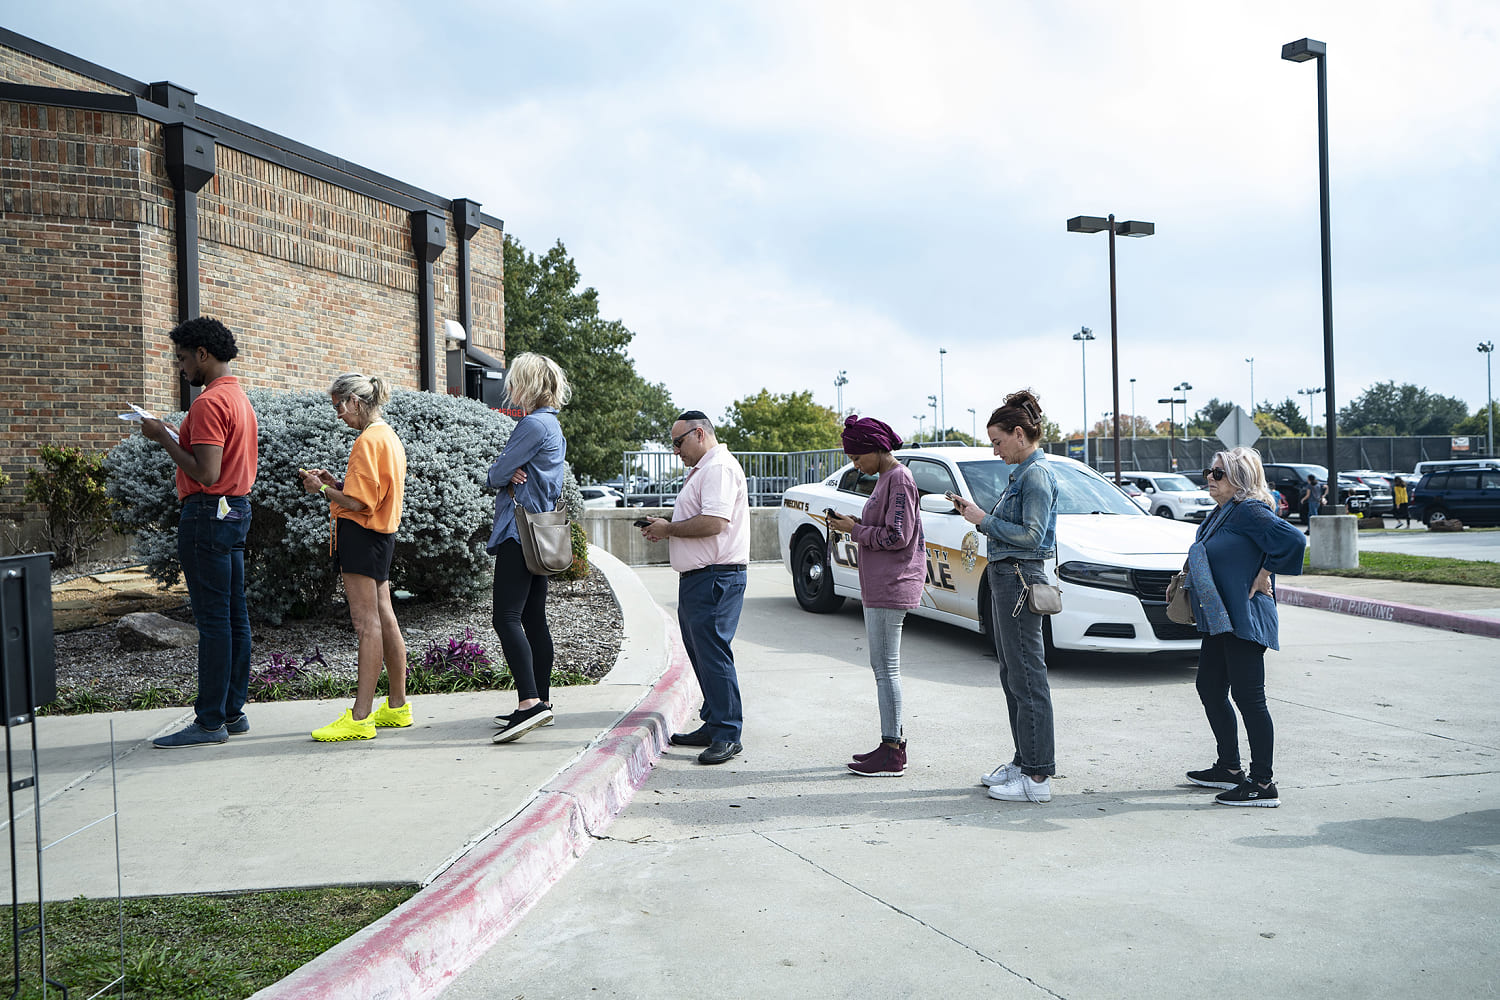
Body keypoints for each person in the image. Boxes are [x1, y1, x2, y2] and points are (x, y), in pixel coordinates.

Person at [143, 317, 259, 749]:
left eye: (183, 358)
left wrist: (161, 437)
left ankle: (209, 722)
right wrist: (179, 436)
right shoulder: (238, 398)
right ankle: (232, 712)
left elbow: (207, 473)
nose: (181, 367)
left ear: (203, 355)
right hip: (235, 511)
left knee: (213, 622)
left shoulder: (209, 404)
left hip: (208, 514)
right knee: (233, 616)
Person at [949, 390, 1058, 803]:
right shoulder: (1025, 473)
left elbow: (1032, 535)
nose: (995, 451)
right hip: (1009, 577)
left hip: (1019, 578)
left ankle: (1037, 777)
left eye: (997, 442)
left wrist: (983, 519)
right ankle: (1026, 761)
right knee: (1014, 674)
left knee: (1027, 675)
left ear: (1018, 434)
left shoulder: (1036, 475)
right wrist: (980, 516)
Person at [1183, 447, 1307, 807]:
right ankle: (1229, 768)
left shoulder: (1250, 510)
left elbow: (1294, 541)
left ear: (1240, 478)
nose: (1210, 477)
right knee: (1209, 686)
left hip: (1246, 617)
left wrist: (1266, 572)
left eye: (1219, 473)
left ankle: (1262, 783)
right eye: (1210, 471)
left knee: (1249, 699)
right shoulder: (1223, 513)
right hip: (1222, 618)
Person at [301, 373, 411, 742]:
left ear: (354, 401)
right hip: (382, 536)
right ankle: (397, 706)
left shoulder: (367, 441)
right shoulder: (388, 436)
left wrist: (323, 489)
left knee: (366, 624)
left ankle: (360, 716)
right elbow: (372, 495)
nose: (338, 415)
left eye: (338, 406)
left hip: (361, 536)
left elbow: (361, 503)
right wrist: (336, 484)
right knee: (384, 616)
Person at [642, 411, 750, 766]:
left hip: (715, 576)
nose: (675, 451)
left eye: (678, 442)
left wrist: (669, 529)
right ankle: (715, 722)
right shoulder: (706, 468)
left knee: (714, 654)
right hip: (703, 577)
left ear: (699, 433)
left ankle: (727, 734)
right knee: (703, 653)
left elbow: (715, 523)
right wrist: (666, 526)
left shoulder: (717, 468)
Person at [828, 416, 925, 777]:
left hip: (891, 583)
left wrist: (855, 529)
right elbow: (886, 528)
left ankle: (892, 750)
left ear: (875, 448)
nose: (856, 465)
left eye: (856, 457)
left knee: (886, 669)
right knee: (883, 667)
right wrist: (854, 524)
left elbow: (897, 536)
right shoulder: (888, 479)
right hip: (881, 583)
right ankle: (890, 744)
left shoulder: (898, 478)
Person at [486, 353, 570, 744]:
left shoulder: (531, 425)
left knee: (505, 617)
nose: (512, 389)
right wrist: (511, 473)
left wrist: (507, 474)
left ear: (530, 385)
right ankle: (543, 703)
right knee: (534, 619)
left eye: (517, 382)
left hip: (518, 533)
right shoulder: (553, 427)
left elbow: (496, 474)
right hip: (539, 533)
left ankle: (529, 702)